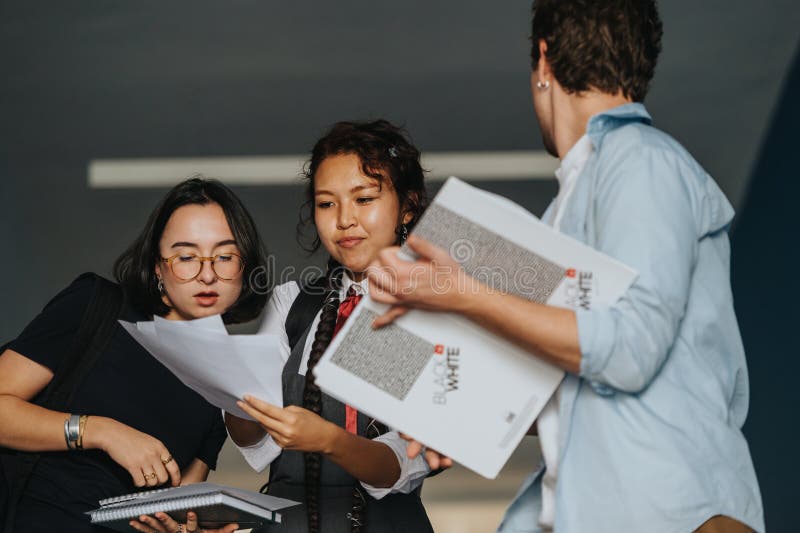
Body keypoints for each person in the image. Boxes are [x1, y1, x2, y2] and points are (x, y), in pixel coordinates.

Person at [366, 1, 765, 532]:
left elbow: (627, 351)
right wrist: (458, 417)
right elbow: (583, 381)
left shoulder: (644, 162)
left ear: (544, 64)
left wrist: (461, 293)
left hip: (667, 510)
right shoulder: (577, 196)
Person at [0, 177, 269, 533]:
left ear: (244, 268)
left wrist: (187, 528)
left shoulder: (225, 381)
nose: (207, 274)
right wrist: (101, 431)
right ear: (158, 267)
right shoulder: (96, 306)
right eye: (186, 256)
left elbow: (180, 501)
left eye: (224, 256)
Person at [223, 119, 436, 533]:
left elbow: (401, 466)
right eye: (326, 203)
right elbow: (254, 439)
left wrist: (329, 440)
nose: (344, 220)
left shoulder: (435, 315)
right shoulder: (291, 304)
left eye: (364, 199)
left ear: (407, 206)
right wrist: (226, 388)